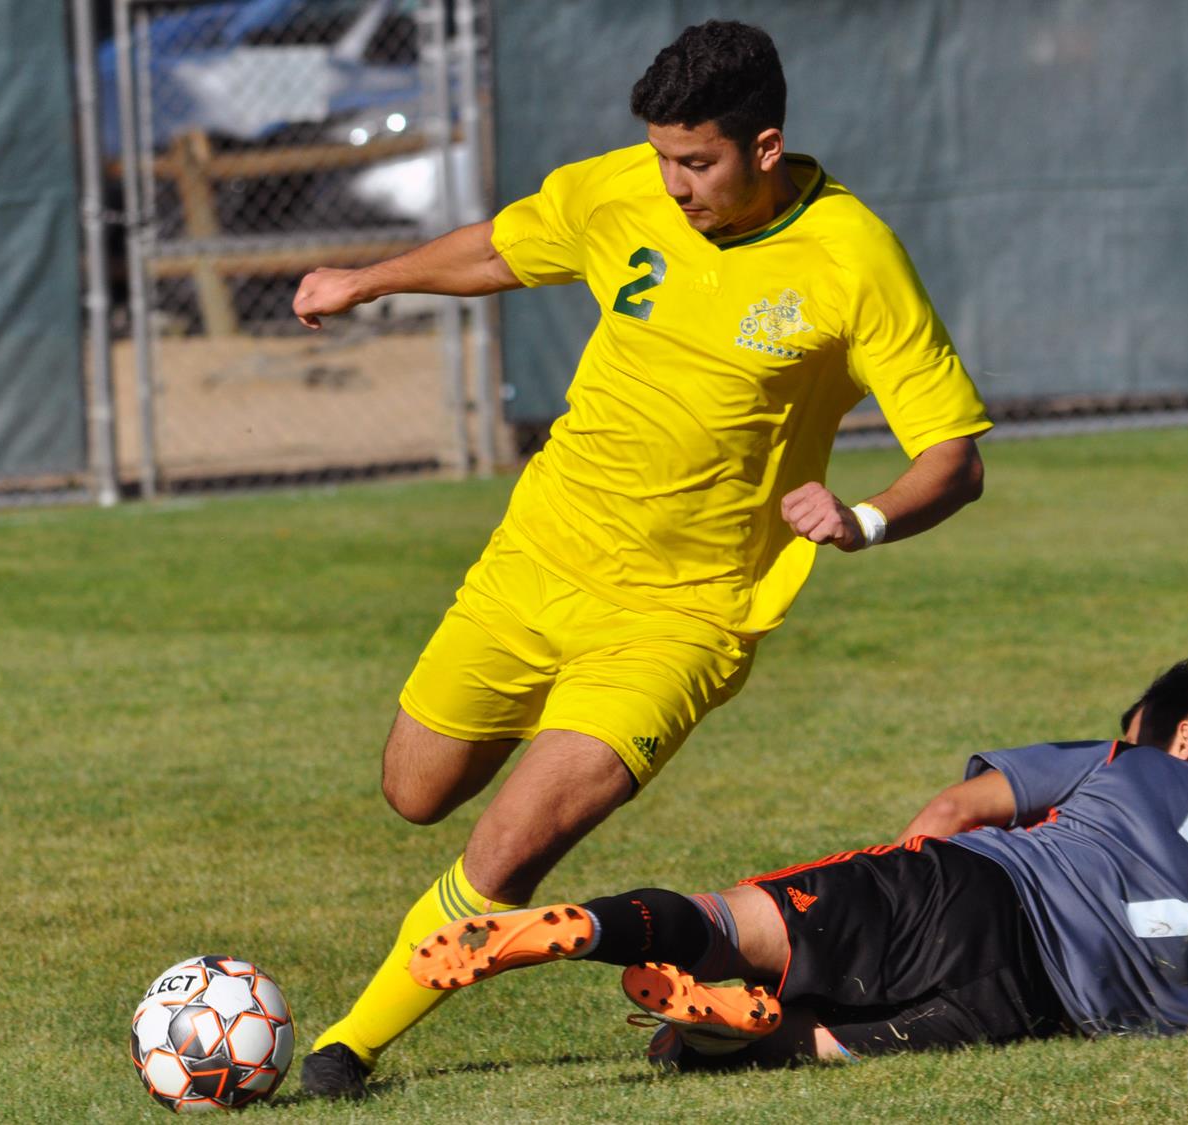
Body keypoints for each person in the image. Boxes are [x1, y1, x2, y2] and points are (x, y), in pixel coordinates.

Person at [290, 21, 994, 1097]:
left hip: (681, 618)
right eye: (663, 157)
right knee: (414, 791)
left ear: (764, 146)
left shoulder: (851, 259)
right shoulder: (623, 189)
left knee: (509, 851)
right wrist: (366, 280)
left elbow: (952, 457)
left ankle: (351, 1045)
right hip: (537, 559)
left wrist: (866, 518)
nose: (672, 185)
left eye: (696, 163)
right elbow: (497, 247)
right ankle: (538, 737)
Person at [407, 656, 1188, 1068]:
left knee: (733, 921)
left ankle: (580, 930)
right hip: (1030, 1009)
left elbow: (958, 808)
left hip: (978, 898)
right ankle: (759, 1033)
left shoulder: (1132, 766)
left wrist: (888, 889)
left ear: (1178, 738)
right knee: (786, 1051)